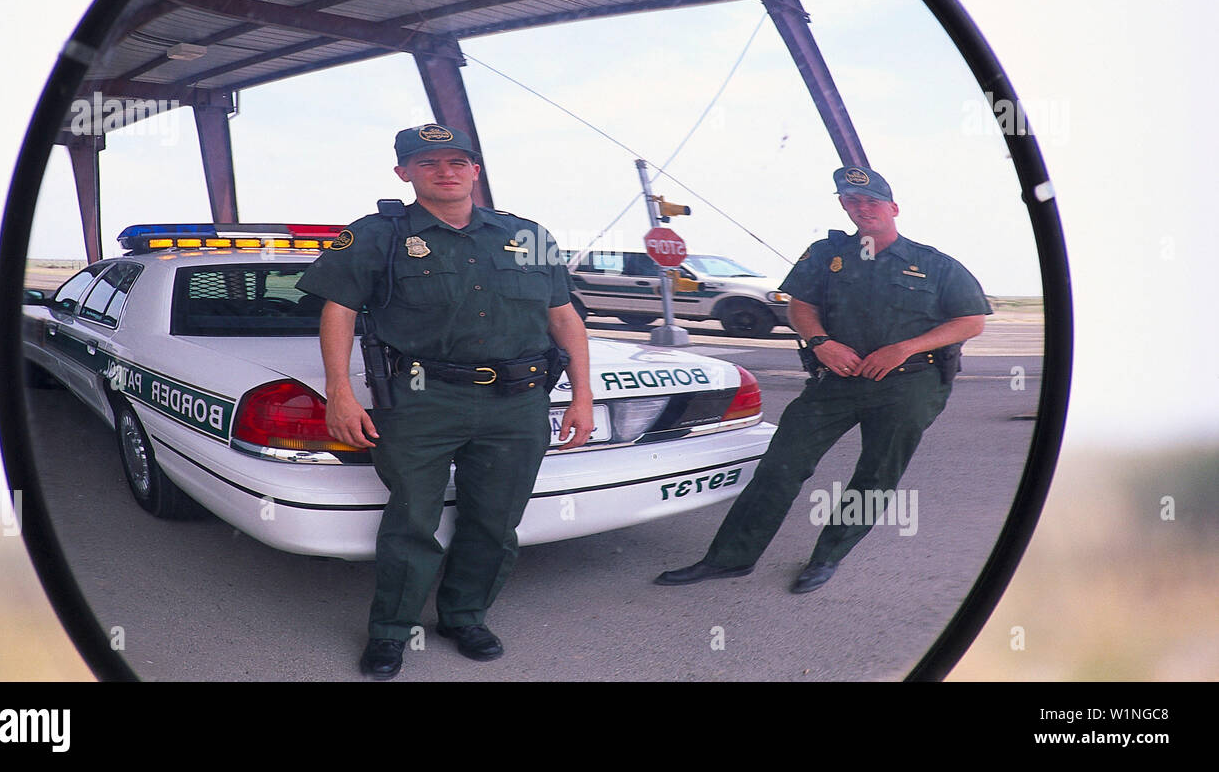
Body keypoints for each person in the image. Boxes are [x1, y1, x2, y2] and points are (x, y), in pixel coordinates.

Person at [296, 123, 592, 680]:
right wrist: (339, 390)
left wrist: (582, 395)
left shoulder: (526, 234)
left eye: (458, 161)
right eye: (428, 162)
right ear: (404, 172)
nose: (445, 170)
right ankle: (390, 631)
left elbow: (562, 317)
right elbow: (339, 310)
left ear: (475, 170)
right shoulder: (375, 235)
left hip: (518, 404)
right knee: (412, 519)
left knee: (496, 520)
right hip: (420, 401)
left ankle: (464, 616)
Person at [655, 166, 990, 593]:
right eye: (852, 200)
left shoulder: (934, 264)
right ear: (843, 206)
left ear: (893, 208)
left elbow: (971, 321)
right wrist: (820, 343)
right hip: (837, 378)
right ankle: (729, 559)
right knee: (781, 464)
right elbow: (801, 306)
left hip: (909, 383)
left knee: (875, 475)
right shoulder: (825, 255)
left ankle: (827, 557)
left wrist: (904, 347)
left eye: (872, 201)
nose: (862, 208)